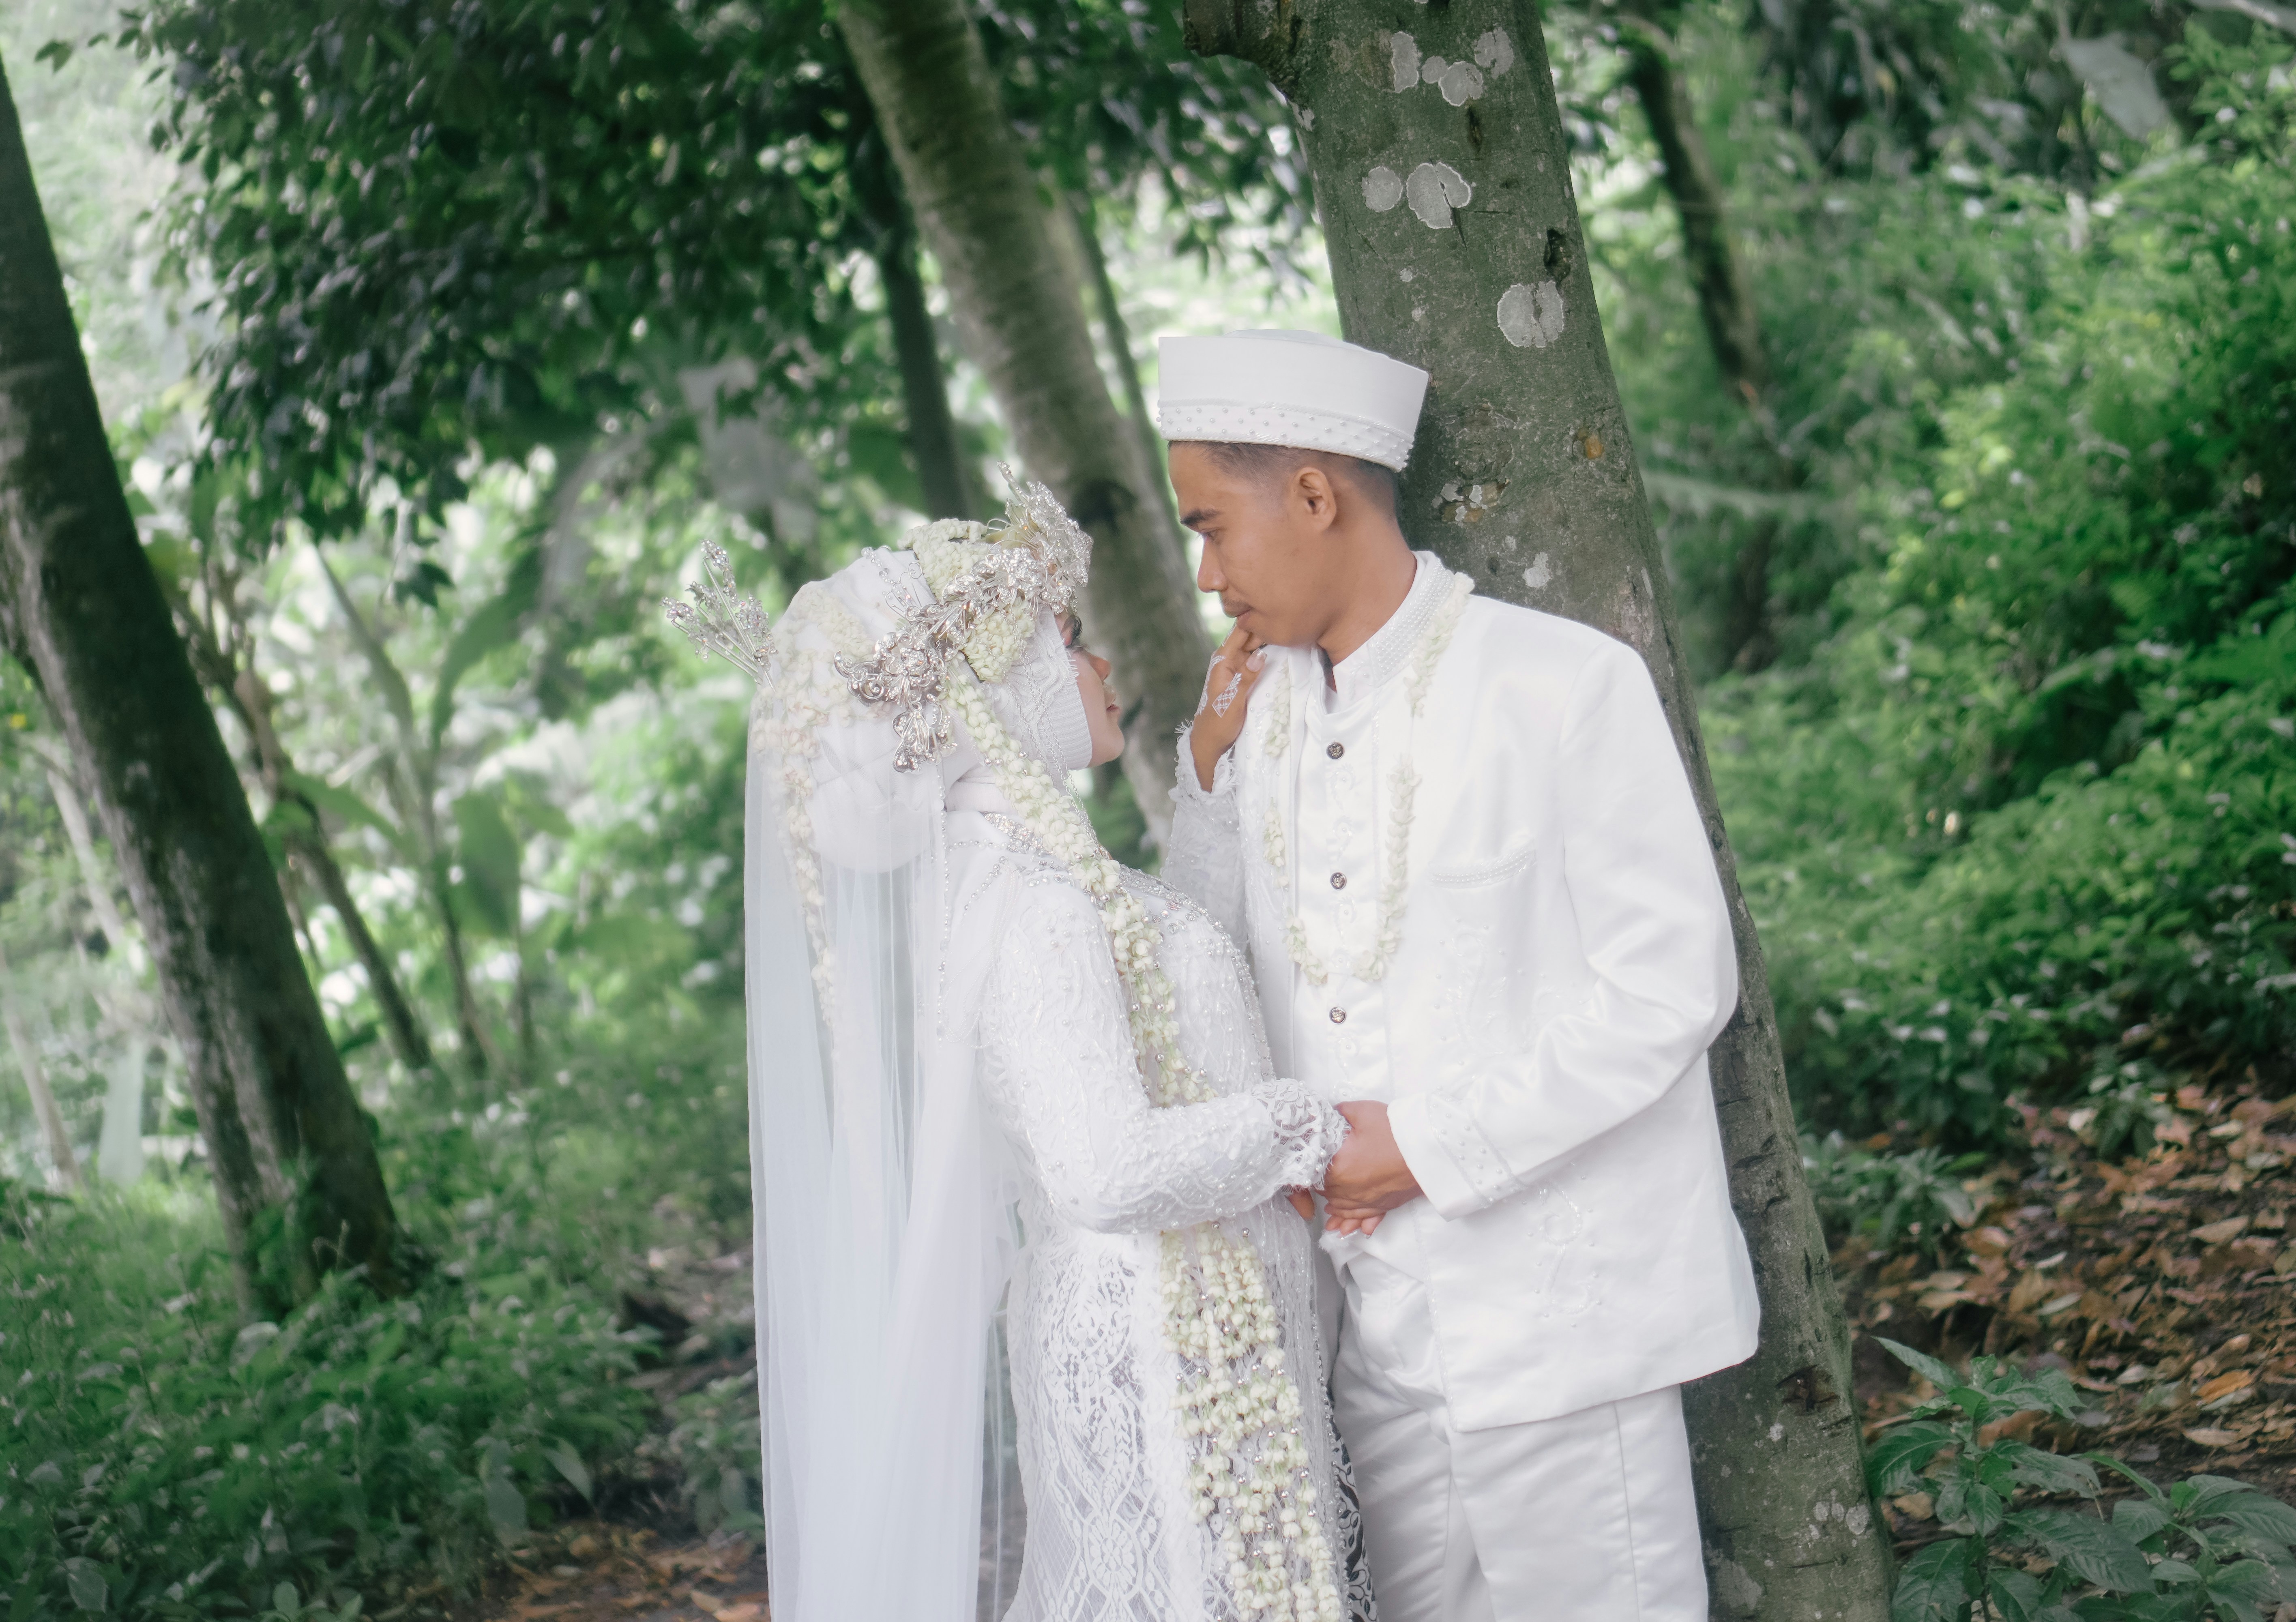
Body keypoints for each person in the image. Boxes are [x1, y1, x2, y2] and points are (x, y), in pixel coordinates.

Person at [669, 480, 1372, 1622]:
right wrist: (1317, 1129)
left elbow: (1172, 1024)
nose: (1098, 669)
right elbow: (1103, 1168)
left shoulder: (1050, 885)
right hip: (1164, 1353)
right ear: (997, 692)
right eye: (1073, 643)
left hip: (1192, 1334)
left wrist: (1202, 782)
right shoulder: (1027, 906)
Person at [1156, 330, 1762, 1622]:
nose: (1207, 576)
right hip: (1367, 1341)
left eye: (1212, 526)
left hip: (1561, 1322)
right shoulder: (1253, 726)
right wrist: (1201, 790)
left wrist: (1425, 1146)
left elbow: (1671, 985)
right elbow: (1208, 981)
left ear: (1314, 494)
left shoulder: (1562, 686)